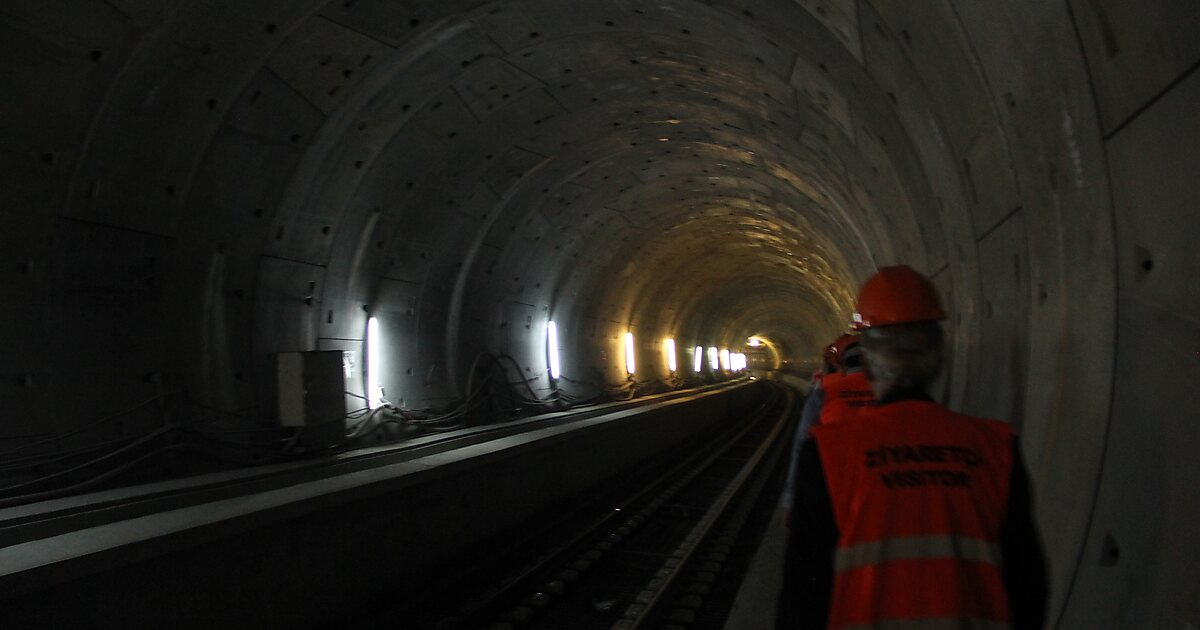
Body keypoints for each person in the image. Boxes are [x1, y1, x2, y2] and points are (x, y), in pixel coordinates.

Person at [787, 265, 1048, 629]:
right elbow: (1027, 586)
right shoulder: (996, 448)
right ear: (938, 353)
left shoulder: (829, 454)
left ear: (868, 358)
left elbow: (804, 596)